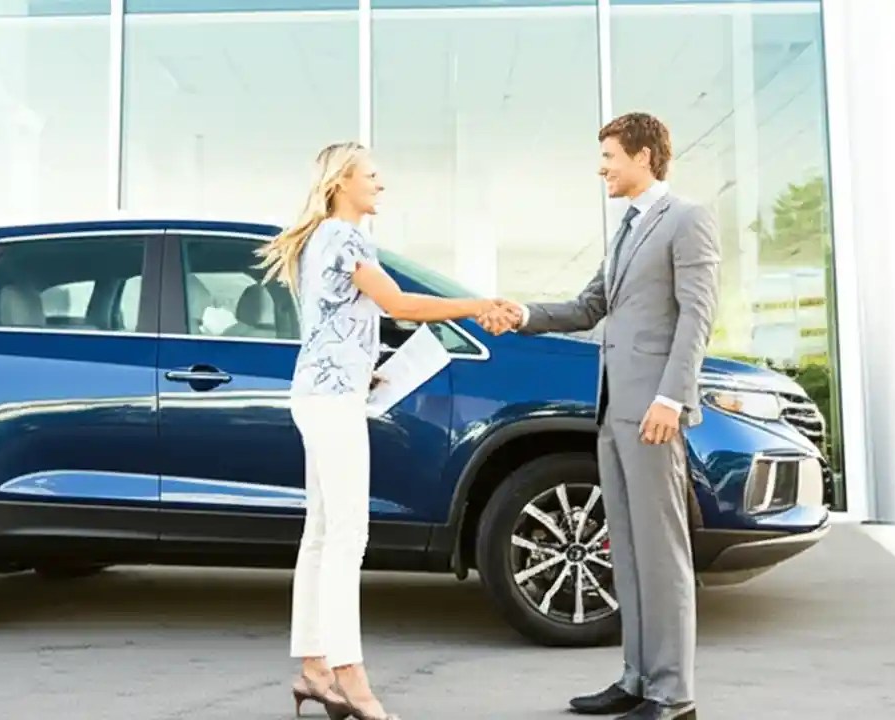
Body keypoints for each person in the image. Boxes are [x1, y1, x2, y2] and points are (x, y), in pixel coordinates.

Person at [480, 112, 720, 720]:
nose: (602, 168)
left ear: (643, 156)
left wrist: (672, 397)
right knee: (630, 551)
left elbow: (696, 316)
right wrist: (522, 314)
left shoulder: (687, 220)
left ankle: (673, 695)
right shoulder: (627, 229)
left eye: (610, 156)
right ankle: (637, 679)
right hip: (614, 410)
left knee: (662, 553)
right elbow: (590, 307)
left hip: (653, 412)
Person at [258, 142, 502, 720]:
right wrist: (477, 305)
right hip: (332, 402)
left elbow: (340, 323)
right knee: (346, 538)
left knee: (321, 535)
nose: (381, 185)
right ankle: (350, 676)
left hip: (319, 393)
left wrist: (366, 367)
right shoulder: (346, 238)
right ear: (341, 181)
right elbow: (397, 304)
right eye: (371, 175)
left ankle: (315, 667)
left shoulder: (321, 239)